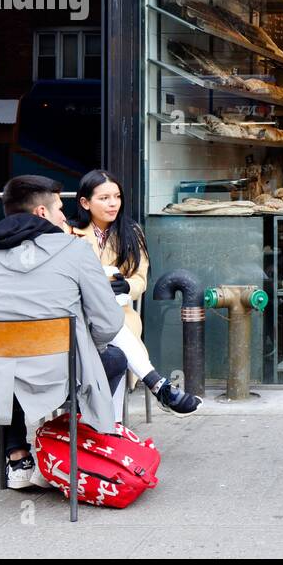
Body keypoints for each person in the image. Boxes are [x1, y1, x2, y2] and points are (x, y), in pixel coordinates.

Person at [0, 175, 129, 490]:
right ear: (42, 214)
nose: (65, 216)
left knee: (10, 366)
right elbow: (109, 322)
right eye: (60, 208)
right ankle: (60, 451)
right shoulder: (75, 252)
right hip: (60, 373)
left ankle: (17, 456)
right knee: (114, 358)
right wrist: (87, 346)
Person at [71, 169, 200, 415]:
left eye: (116, 196)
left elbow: (140, 279)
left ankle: (115, 425)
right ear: (85, 203)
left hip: (120, 312)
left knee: (115, 338)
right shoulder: (69, 233)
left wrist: (127, 286)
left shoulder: (131, 232)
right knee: (113, 344)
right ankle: (154, 386)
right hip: (80, 315)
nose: (112, 203)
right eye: (104, 198)